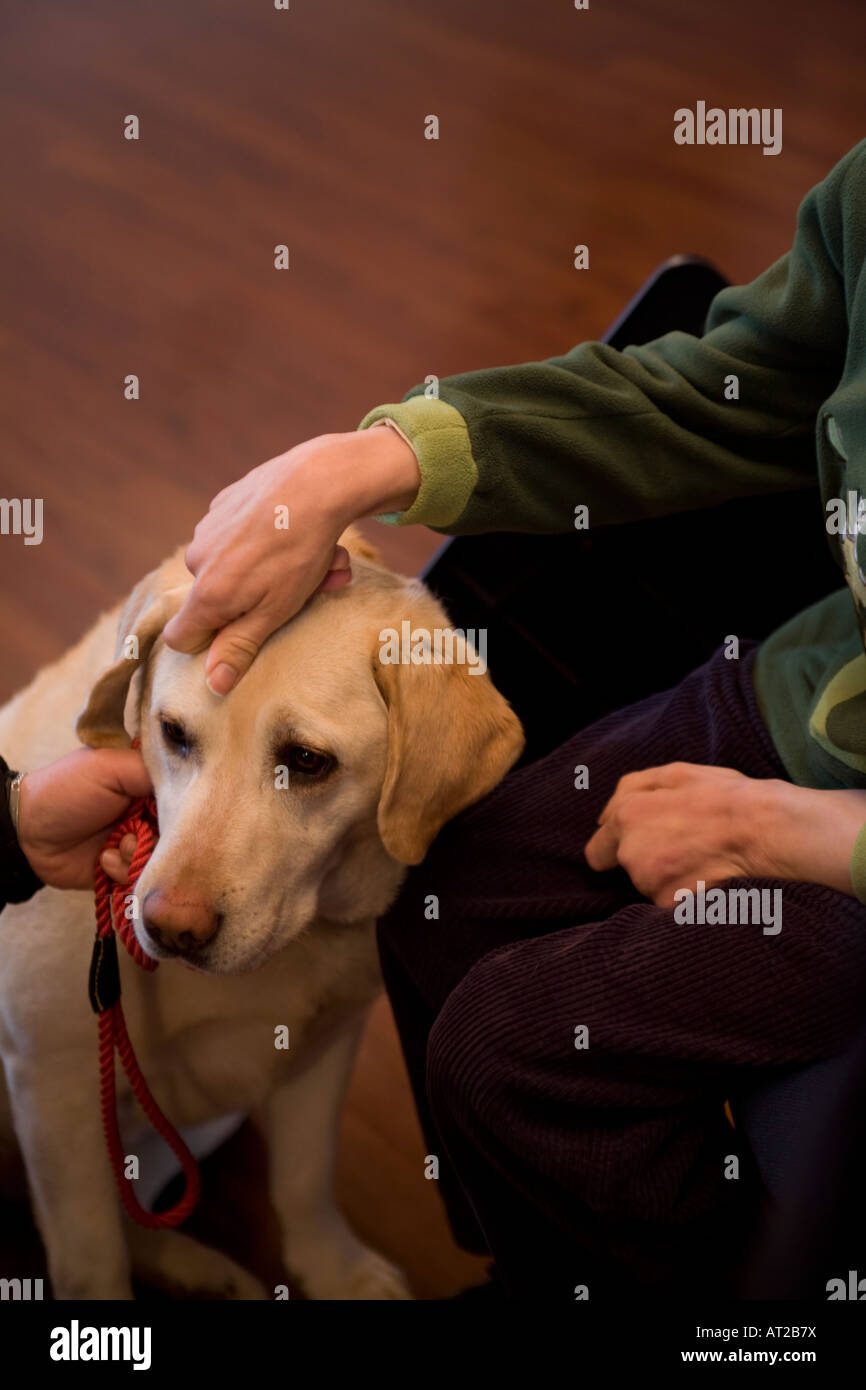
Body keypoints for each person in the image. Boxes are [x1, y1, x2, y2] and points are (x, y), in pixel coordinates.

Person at [6, 138, 866, 1296]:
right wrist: (367, 458)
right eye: (176, 739)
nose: (180, 889)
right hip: (819, 683)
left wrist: (806, 836)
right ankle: (539, 1249)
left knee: (503, 1047)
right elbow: (717, 388)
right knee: (437, 914)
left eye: (302, 762)